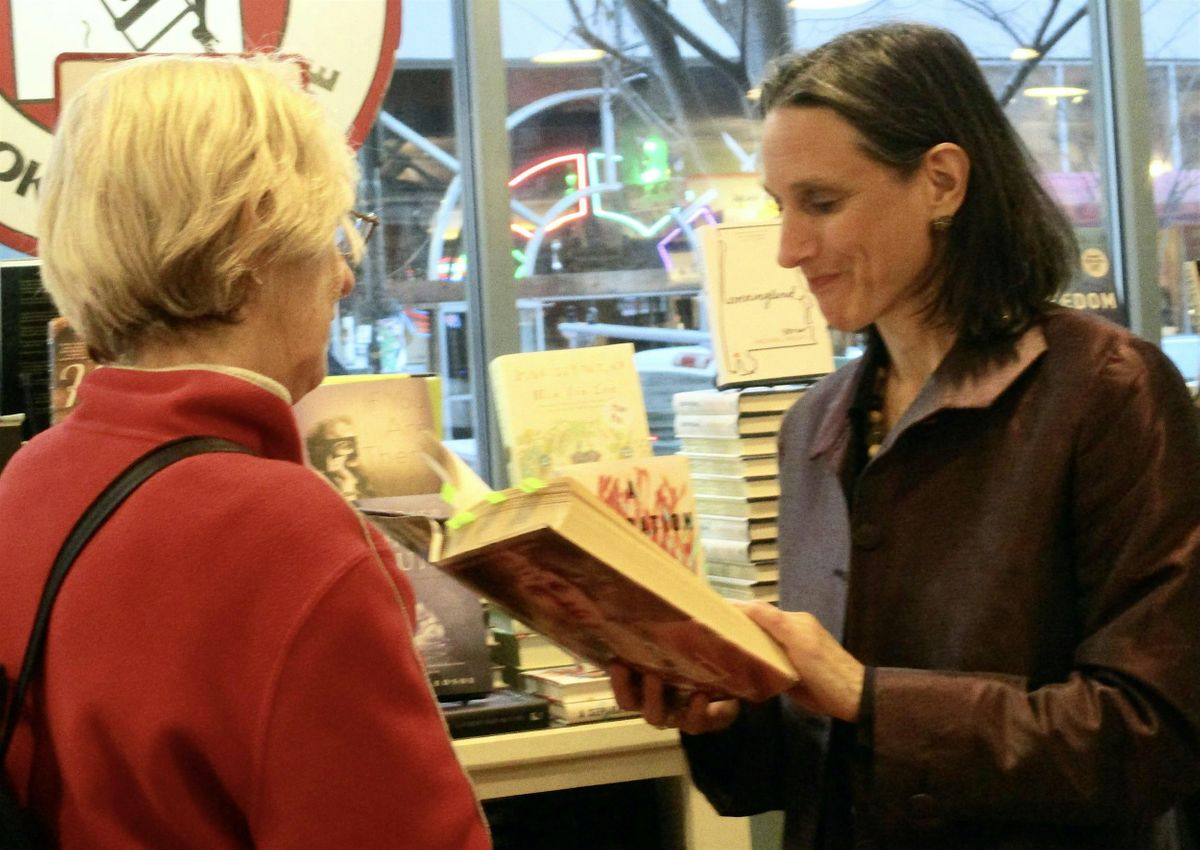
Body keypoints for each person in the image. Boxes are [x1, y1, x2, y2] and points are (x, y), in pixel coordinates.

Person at [611, 23, 1200, 849]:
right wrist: (721, 710)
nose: (788, 249)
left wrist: (868, 697)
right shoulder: (814, 425)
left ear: (943, 181)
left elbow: (1149, 737)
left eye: (822, 202)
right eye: (781, 208)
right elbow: (812, 763)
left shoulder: (1108, 395)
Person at [0, 55, 490, 849]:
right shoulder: (286, 537)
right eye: (333, 233)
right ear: (257, 237)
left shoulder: (31, 479)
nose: (341, 276)